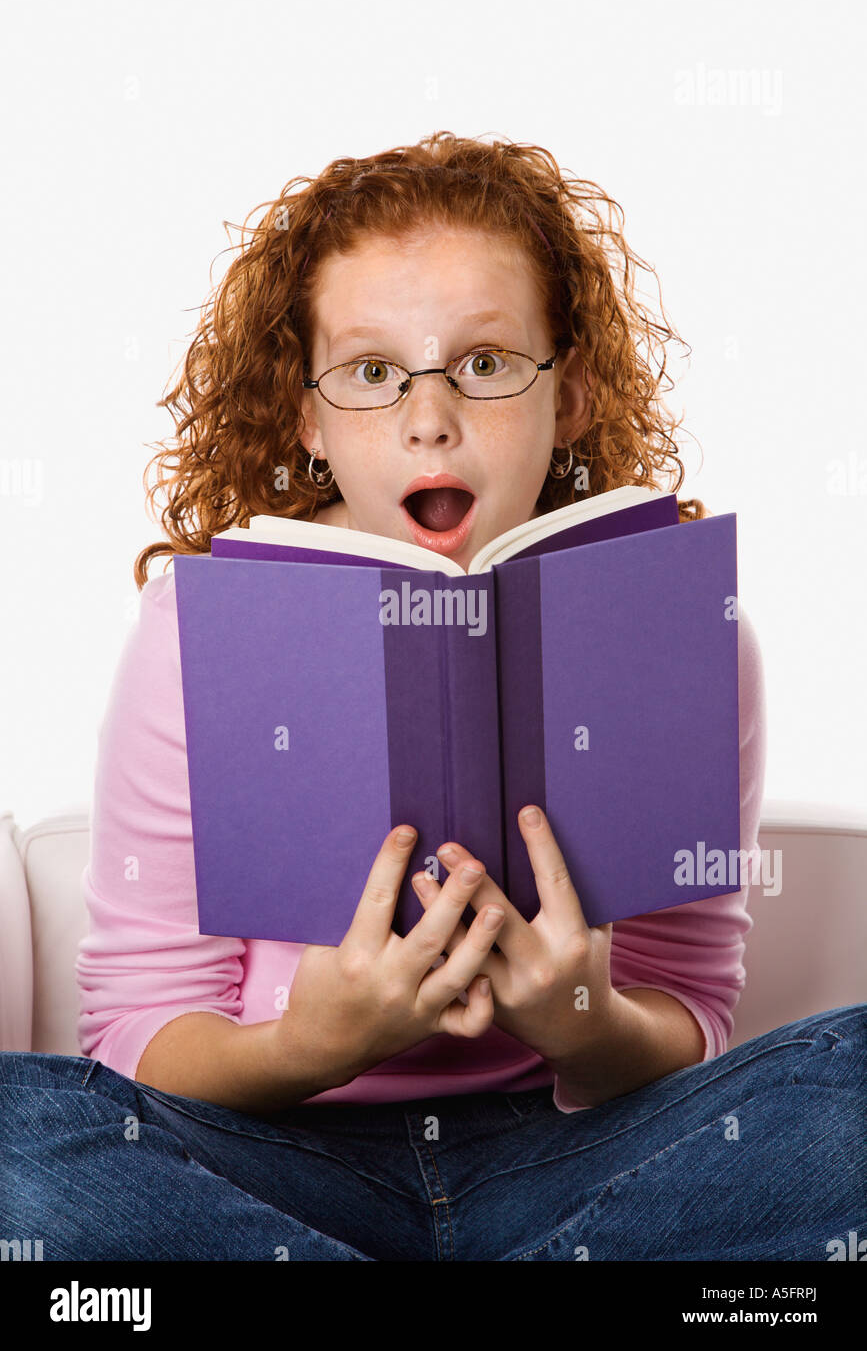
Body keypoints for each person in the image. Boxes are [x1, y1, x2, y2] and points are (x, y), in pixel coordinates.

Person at [1, 133, 863, 1261]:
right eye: (370, 372)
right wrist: (311, 1042)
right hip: (274, 1160)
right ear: (307, 418)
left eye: (487, 362)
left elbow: (693, 1014)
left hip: (571, 1165)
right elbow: (129, 1038)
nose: (429, 417)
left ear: (575, 387)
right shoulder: (193, 634)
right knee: (24, 1130)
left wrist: (582, 1020)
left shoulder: (689, 634)